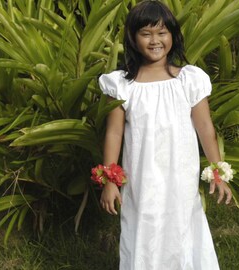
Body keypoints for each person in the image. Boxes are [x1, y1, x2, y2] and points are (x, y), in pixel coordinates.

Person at [97, 1, 232, 269]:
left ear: (173, 35)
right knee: (142, 228)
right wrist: (109, 180)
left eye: (162, 32)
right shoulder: (123, 86)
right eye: (146, 33)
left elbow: (205, 128)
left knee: (182, 226)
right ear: (133, 39)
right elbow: (113, 134)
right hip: (141, 178)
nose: (155, 40)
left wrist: (218, 171)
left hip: (179, 177)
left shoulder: (188, 80)